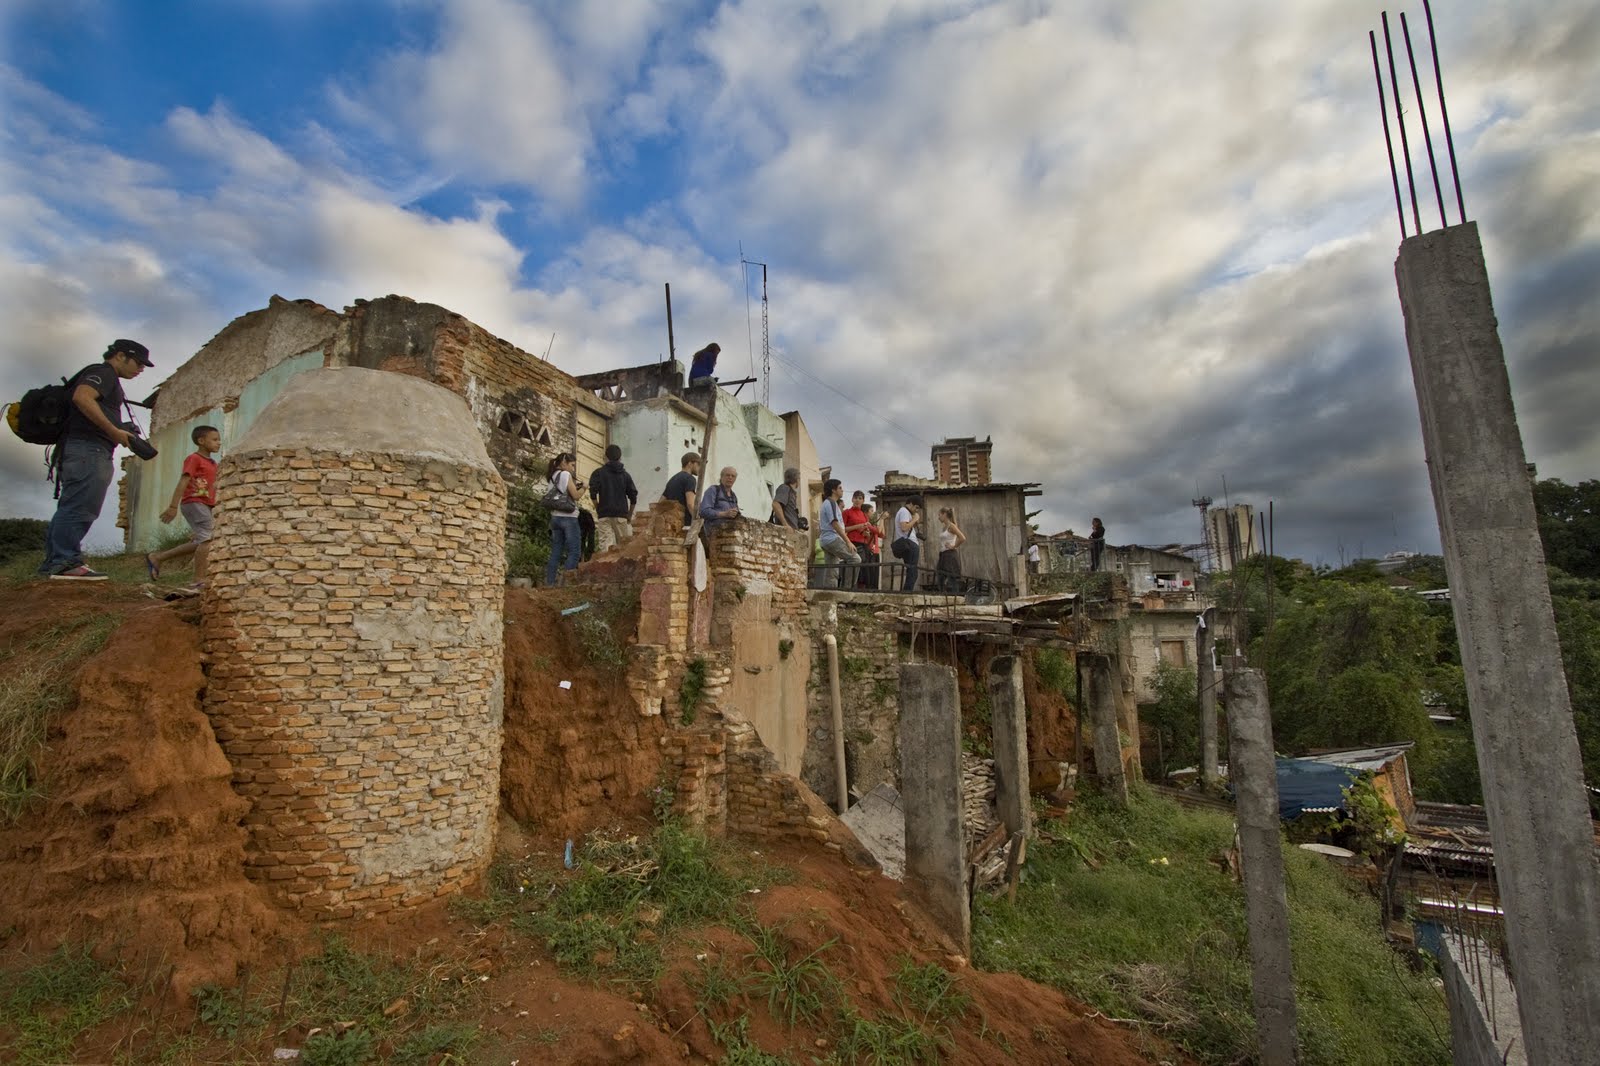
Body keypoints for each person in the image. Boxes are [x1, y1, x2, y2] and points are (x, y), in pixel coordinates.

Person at [37, 339, 153, 580]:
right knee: (81, 507)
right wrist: (113, 431)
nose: (141, 369)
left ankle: (55, 562)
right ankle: (65, 562)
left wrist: (120, 427)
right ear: (121, 356)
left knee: (74, 505)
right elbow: (83, 397)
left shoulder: (106, 377)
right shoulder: (103, 372)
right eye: (139, 363)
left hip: (84, 448)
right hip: (89, 450)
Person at [146, 424, 221, 586]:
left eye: (219, 440)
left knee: (201, 541)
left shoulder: (214, 464)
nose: (218, 443)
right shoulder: (194, 459)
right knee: (207, 539)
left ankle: (158, 557)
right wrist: (173, 506)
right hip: (194, 502)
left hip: (207, 505)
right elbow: (184, 480)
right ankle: (198, 579)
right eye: (214, 440)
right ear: (201, 441)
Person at [589, 444, 639, 552]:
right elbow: (633, 497)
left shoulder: (598, 473)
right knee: (623, 548)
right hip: (621, 515)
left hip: (604, 514)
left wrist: (598, 508)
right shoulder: (625, 475)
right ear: (620, 458)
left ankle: (605, 567)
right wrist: (629, 515)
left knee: (606, 548)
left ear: (605, 457)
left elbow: (593, 494)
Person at [544, 453, 583, 585]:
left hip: (555, 518)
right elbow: (576, 496)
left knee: (556, 551)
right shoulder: (566, 475)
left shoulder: (552, 476)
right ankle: (565, 584)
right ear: (564, 462)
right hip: (569, 518)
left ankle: (550, 584)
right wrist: (584, 487)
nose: (573, 469)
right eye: (572, 465)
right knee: (574, 551)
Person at [817, 479, 861, 588]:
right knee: (855, 559)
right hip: (832, 539)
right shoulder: (831, 503)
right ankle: (847, 590)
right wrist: (848, 541)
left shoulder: (831, 503)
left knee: (832, 570)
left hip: (826, 540)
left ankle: (830, 595)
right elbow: (835, 524)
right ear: (833, 490)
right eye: (840, 488)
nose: (842, 490)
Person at [890, 496, 922, 592]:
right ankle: (906, 593)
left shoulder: (905, 512)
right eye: (916, 507)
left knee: (911, 571)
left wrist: (914, 519)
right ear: (911, 503)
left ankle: (906, 592)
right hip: (910, 544)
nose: (916, 510)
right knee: (912, 572)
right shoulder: (904, 511)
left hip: (910, 544)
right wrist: (915, 519)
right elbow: (904, 527)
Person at [842, 491, 873, 587]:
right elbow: (843, 529)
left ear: (863, 501)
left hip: (863, 544)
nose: (857, 500)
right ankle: (850, 588)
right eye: (855, 498)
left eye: (860, 498)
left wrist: (866, 533)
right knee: (854, 568)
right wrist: (859, 525)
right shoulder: (847, 512)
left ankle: (861, 590)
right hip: (852, 542)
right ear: (852, 499)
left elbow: (866, 532)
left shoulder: (863, 514)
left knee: (864, 571)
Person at [698, 466, 741, 535]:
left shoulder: (734, 496)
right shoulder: (713, 490)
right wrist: (724, 514)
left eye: (733, 476)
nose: (730, 478)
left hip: (729, 534)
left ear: (735, 479)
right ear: (721, 477)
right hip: (713, 534)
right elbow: (703, 511)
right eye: (727, 475)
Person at [662, 452, 701, 526]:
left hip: (673, 524)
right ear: (690, 463)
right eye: (698, 464)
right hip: (685, 524)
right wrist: (698, 520)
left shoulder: (672, 479)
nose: (700, 468)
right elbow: (690, 504)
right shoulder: (690, 479)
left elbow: (661, 502)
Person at [936, 507, 966, 593]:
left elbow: (962, 538)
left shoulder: (952, 526)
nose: (938, 517)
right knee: (940, 576)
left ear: (944, 514)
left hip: (950, 554)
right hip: (943, 554)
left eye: (939, 515)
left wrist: (954, 546)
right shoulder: (944, 527)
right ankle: (943, 595)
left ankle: (955, 598)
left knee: (952, 578)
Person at [770, 467, 804, 531]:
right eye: (799, 478)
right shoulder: (784, 488)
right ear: (796, 479)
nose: (799, 480)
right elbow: (775, 504)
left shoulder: (791, 492)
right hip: (786, 532)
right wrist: (785, 525)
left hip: (792, 531)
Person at [858, 502, 882, 589]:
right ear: (865, 512)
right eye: (871, 511)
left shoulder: (870, 524)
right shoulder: (866, 524)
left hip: (874, 551)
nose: (873, 513)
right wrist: (882, 519)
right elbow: (878, 531)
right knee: (869, 574)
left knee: (874, 574)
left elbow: (882, 534)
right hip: (869, 551)